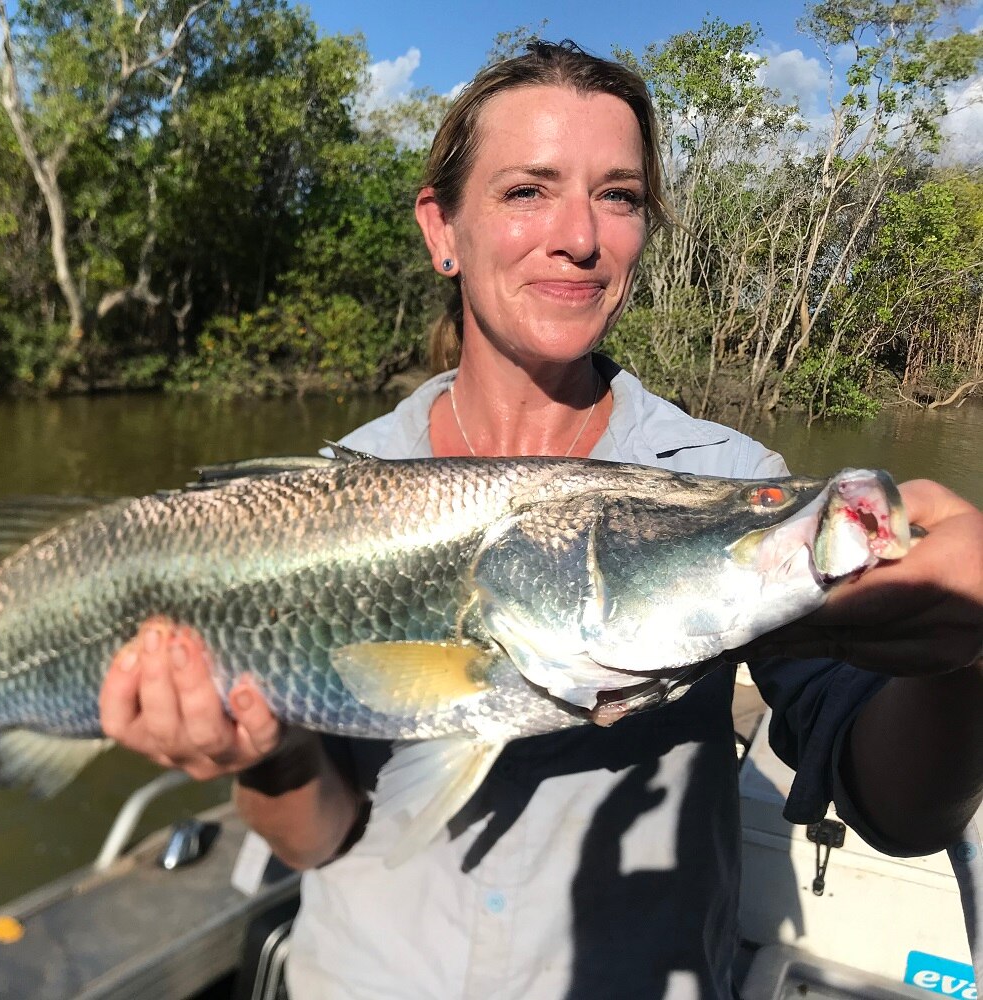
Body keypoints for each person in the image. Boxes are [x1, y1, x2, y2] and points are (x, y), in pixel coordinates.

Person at [98, 40, 983, 999]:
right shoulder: (324, 503)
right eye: (527, 191)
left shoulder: (731, 481)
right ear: (442, 229)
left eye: (619, 196)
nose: (579, 236)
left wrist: (962, 656)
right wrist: (262, 753)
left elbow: (898, 810)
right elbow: (319, 837)